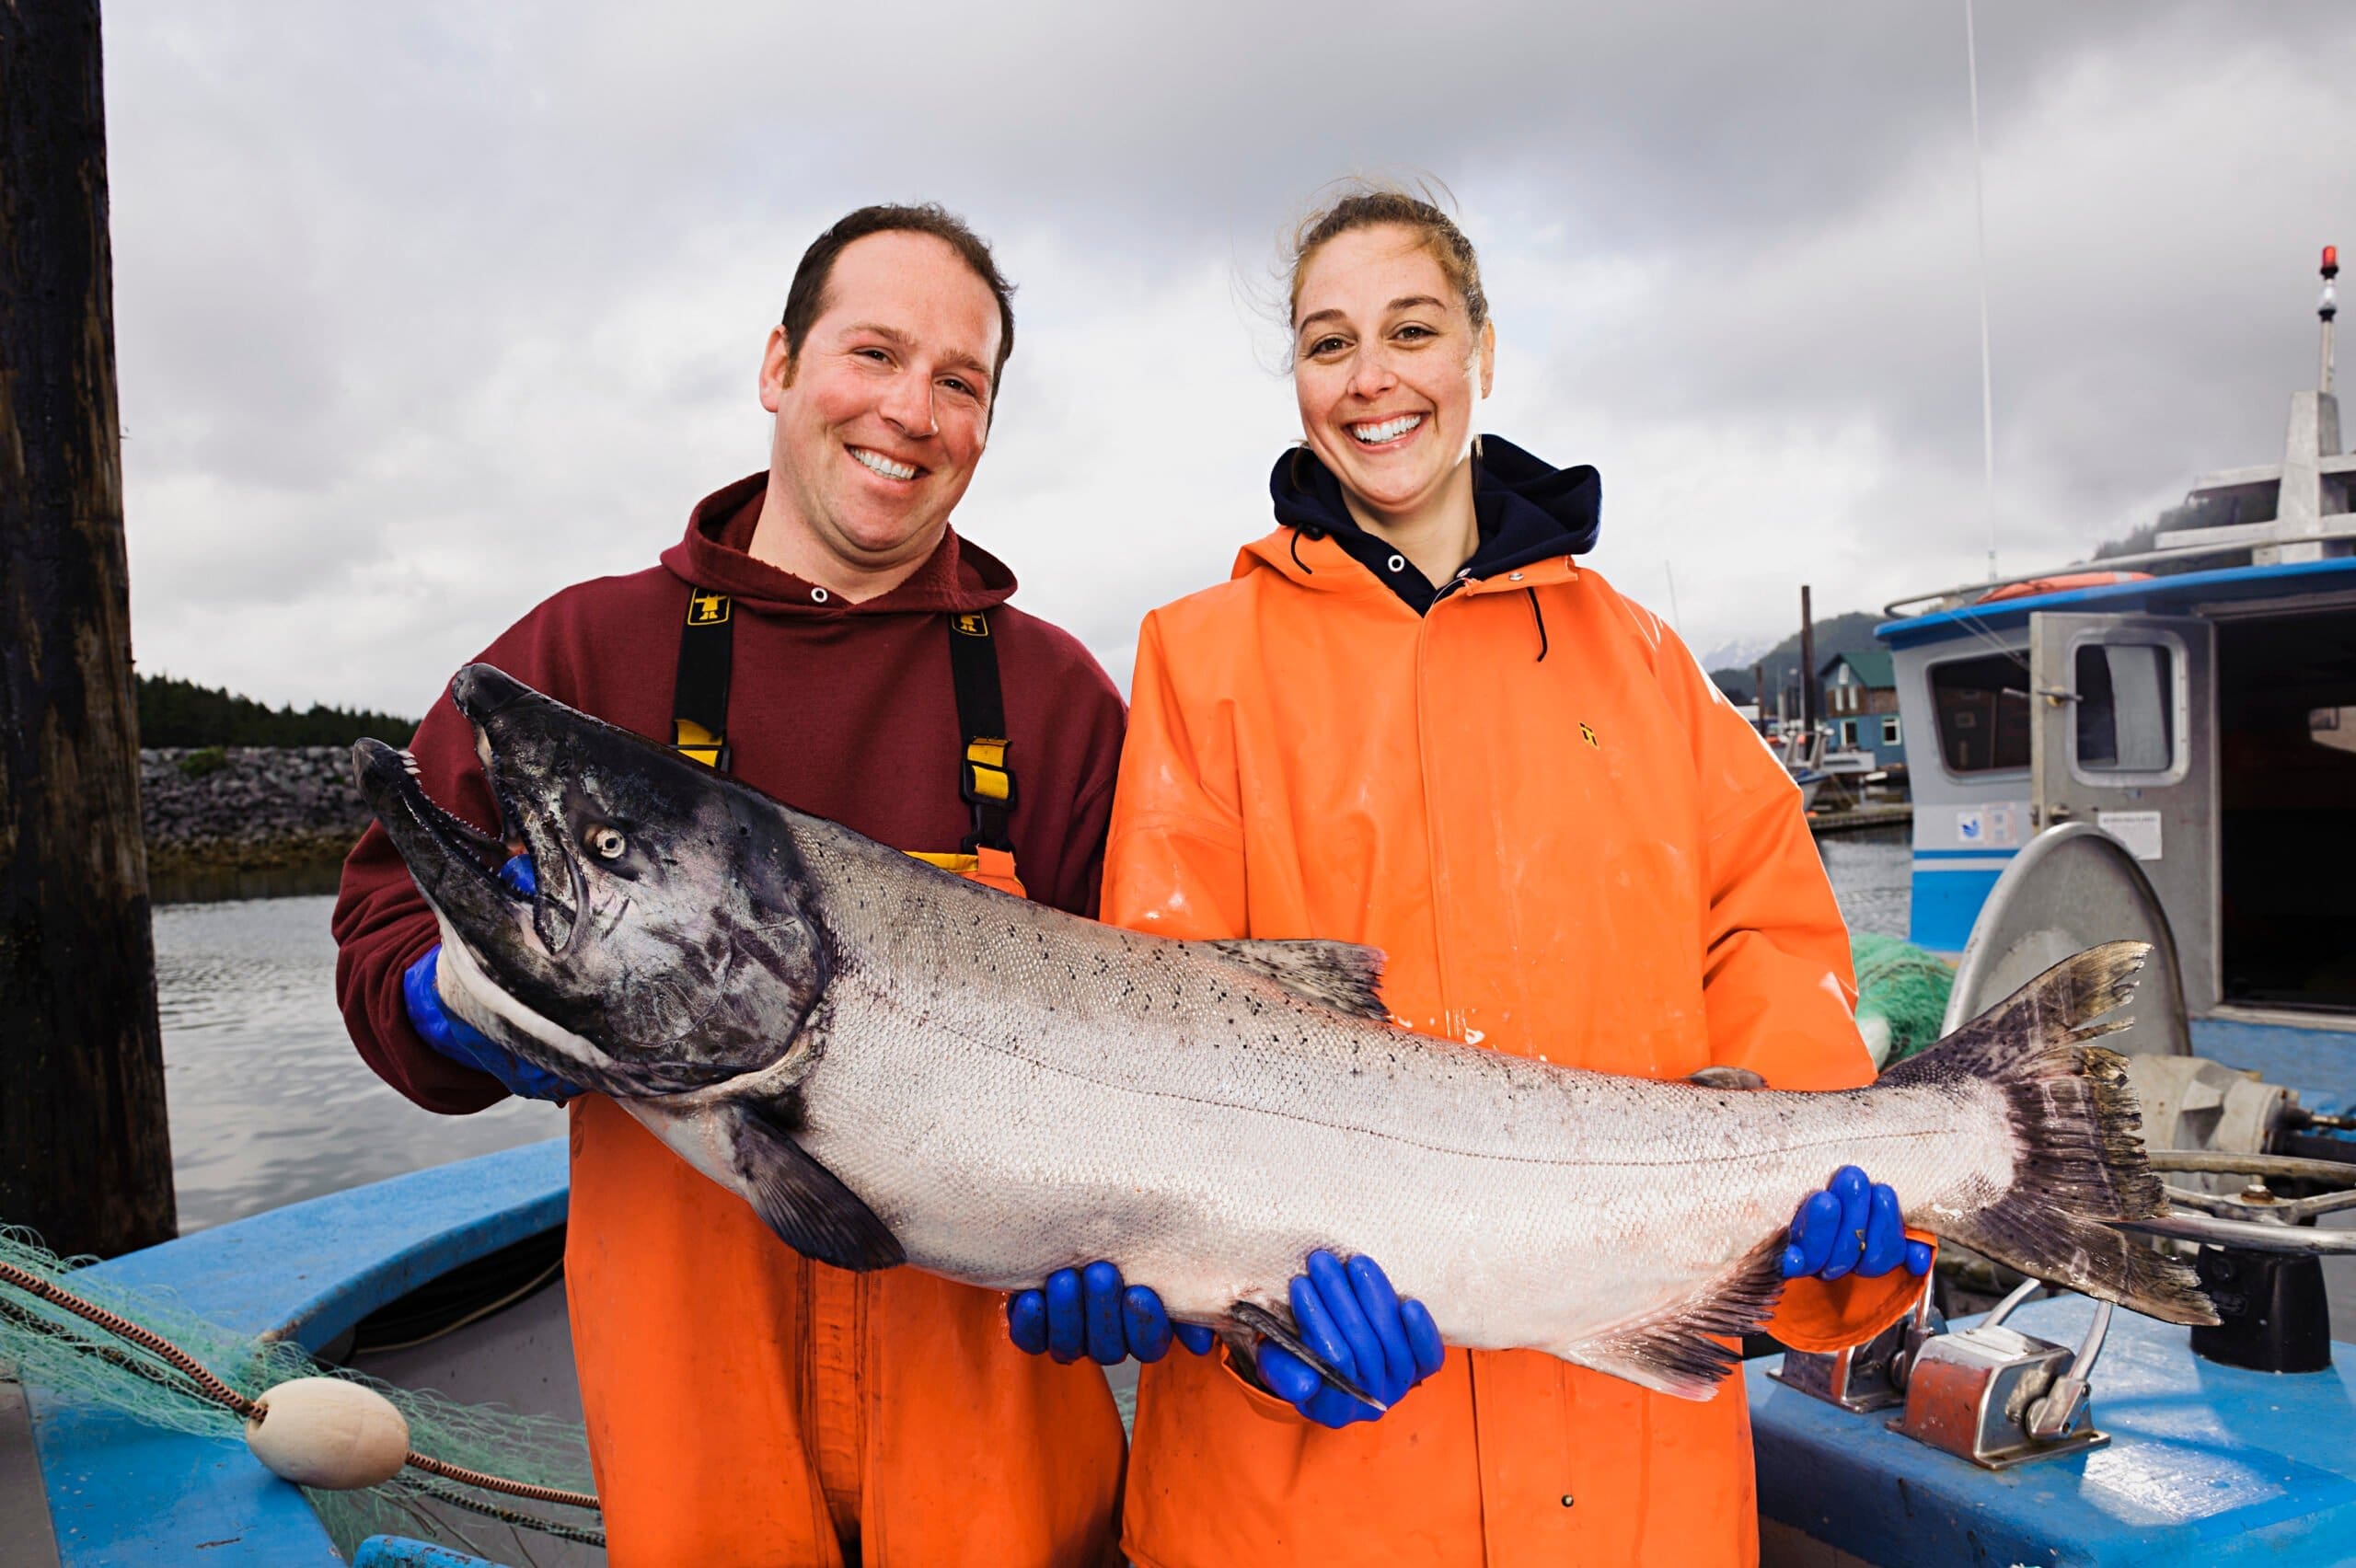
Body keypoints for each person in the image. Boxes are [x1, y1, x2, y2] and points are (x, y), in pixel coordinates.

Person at [1040, 186, 1932, 1566]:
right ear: (1296, 381)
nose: (1372, 378)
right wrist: (1242, 1333)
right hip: (1299, 1503)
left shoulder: (1644, 665)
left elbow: (1766, 933)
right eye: (1327, 344)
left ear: (1483, 353)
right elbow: (1162, 1054)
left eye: (1412, 328)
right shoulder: (1197, 663)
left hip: (1631, 1498)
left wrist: (1821, 1209)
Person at [333, 203, 1130, 1567]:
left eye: (960, 382)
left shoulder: (1058, 702)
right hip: (697, 1434)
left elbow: (1170, 1038)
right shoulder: (580, 655)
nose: (910, 411)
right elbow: (380, 936)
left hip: (995, 1408)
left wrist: (1155, 1262)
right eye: (872, 353)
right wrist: (450, 1003)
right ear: (778, 368)